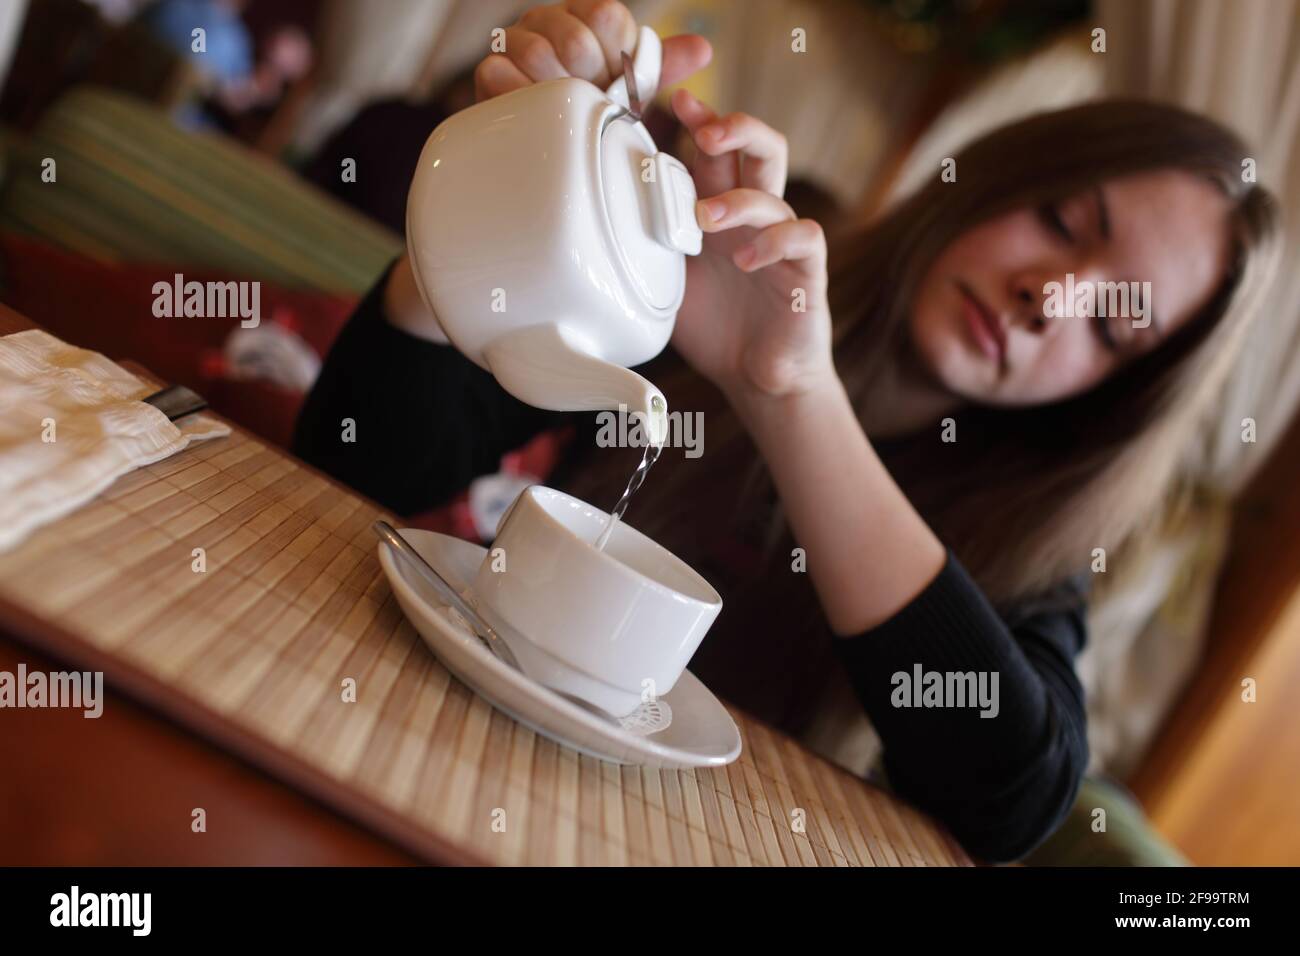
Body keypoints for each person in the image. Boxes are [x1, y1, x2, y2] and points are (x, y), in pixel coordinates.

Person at [292, 1, 1281, 863]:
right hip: (440, 738)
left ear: (1115, 392)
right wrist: (490, 202)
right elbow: (354, 462)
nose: (1046, 299)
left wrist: (785, 386)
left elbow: (1009, 798)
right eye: (1063, 222)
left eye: (1113, 323)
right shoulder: (744, 234)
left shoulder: (1036, 552)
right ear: (996, 175)